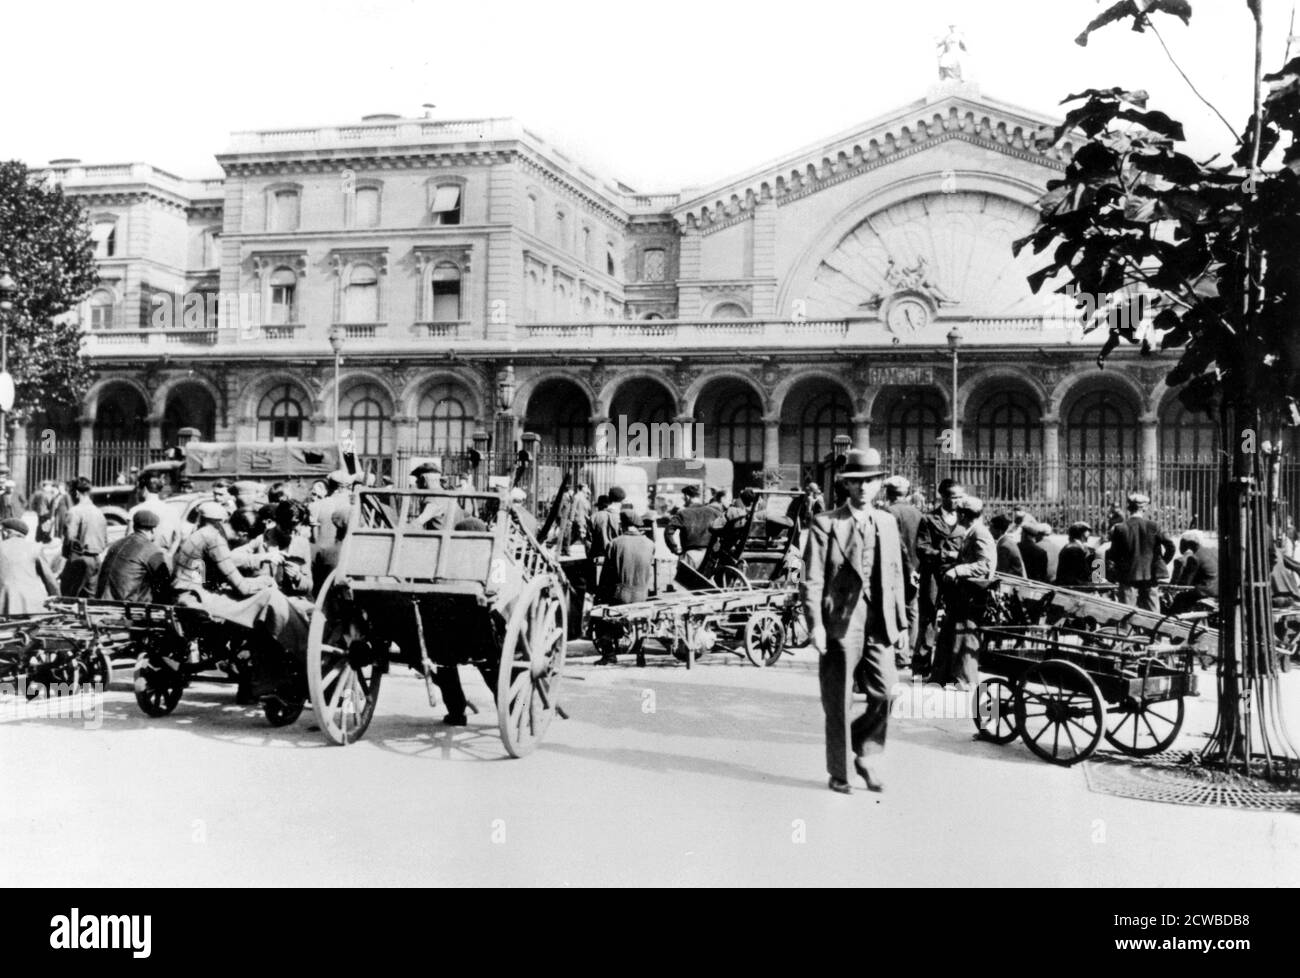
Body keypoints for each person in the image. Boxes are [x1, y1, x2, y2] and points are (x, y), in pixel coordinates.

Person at [801, 449, 912, 794]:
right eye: (856, 482)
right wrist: (816, 625)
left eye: (870, 481)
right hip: (840, 622)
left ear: (879, 484)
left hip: (880, 621)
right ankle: (839, 772)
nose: (863, 488)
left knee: (887, 690)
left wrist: (903, 624)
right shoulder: (826, 523)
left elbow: (896, 575)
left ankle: (864, 751)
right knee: (838, 700)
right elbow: (812, 579)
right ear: (846, 484)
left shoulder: (888, 522)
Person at [173, 502, 308, 700]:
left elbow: (201, 574)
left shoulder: (196, 536)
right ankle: (297, 656)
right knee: (267, 601)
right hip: (202, 599)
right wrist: (265, 575)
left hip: (188, 595)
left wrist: (291, 574)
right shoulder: (220, 538)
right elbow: (240, 582)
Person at [929, 496, 996, 689]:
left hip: (974, 593)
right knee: (950, 634)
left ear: (964, 515)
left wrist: (958, 570)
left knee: (965, 636)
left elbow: (985, 565)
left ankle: (965, 680)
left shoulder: (980, 533)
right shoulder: (972, 532)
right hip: (963, 592)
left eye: (958, 513)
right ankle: (942, 677)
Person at [915, 479, 967, 668]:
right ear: (943, 497)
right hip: (933, 575)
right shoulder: (929, 519)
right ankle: (921, 666)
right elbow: (922, 549)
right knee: (928, 618)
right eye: (954, 497)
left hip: (957, 576)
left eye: (960, 497)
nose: (958, 501)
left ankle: (948, 667)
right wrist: (948, 554)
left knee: (955, 618)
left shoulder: (965, 519)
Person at [594, 510, 656, 664]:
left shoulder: (615, 543)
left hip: (621, 595)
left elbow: (606, 575)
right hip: (642, 595)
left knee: (601, 619)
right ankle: (640, 653)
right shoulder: (650, 544)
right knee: (639, 620)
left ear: (623, 525)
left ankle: (609, 655)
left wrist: (599, 594)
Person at [1107, 492, 1175, 611]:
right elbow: (1171, 546)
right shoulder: (1154, 526)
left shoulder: (1120, 528)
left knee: (1127, 615)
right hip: (1151, 576)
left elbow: (1113, 554)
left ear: (1129, 508)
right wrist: (1161, 562)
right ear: (1144, 508)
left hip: (1127, 577)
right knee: (1152, 616)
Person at [882, 475, 923, 668]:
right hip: (915, 568)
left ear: (889, 493)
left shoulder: (888, 512)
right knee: (912, 610)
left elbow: (894, 543)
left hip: (894, 569)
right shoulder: (918, 513)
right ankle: (909, 652)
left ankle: (899, 653)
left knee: (893, 609)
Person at [96, 509, 173, 604]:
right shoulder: (151, 550)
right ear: (153, 530)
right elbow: (164, 586)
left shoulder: (116, 544)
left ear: (134, 526)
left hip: (101, 601)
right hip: (125, 609)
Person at [60, 476, 108, 598]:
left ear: (76, 493)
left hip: (79, 560)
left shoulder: (74, 511)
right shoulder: (99, 512)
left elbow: (70, 539)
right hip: (96, 560)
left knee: (69, 597)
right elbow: (105, 540)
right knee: (90, 599)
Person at [0, 517, 59, 614]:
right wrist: (58, 604)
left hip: (5, 606)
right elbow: (51, 581)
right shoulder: (35, 548)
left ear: (6, 533)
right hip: (33, 606)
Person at [129, 472, 183, 558]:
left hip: (141, 557)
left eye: (139, 488)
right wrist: (169, 555)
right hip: (163, 556)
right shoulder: (173, 510)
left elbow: (129, 539)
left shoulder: (135, 510)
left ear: (145, 489)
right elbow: (178, 538)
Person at [665, 484, 715, 569]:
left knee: (684, 581)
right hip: (709, 556)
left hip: (690, 556)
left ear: (687, 497)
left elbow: (668, 532)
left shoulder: (683, 513)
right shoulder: (713, 512)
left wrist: (674, 548)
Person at [1172, 530, 1219, 613]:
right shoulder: (1214, 551)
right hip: (1218, 589)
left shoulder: (1194, 558)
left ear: (1188, 544)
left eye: (1181, 544)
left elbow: (1184, 584)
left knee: (1179, 598)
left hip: (1205, 592)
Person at [1055, 522, 1097, 588]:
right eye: (1088, 531)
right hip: (1073, 587)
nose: (1089, 534)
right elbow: (1082, 573)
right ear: (1082, 533)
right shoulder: (1075, 549)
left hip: (1070, 585)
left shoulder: (1072, 546)